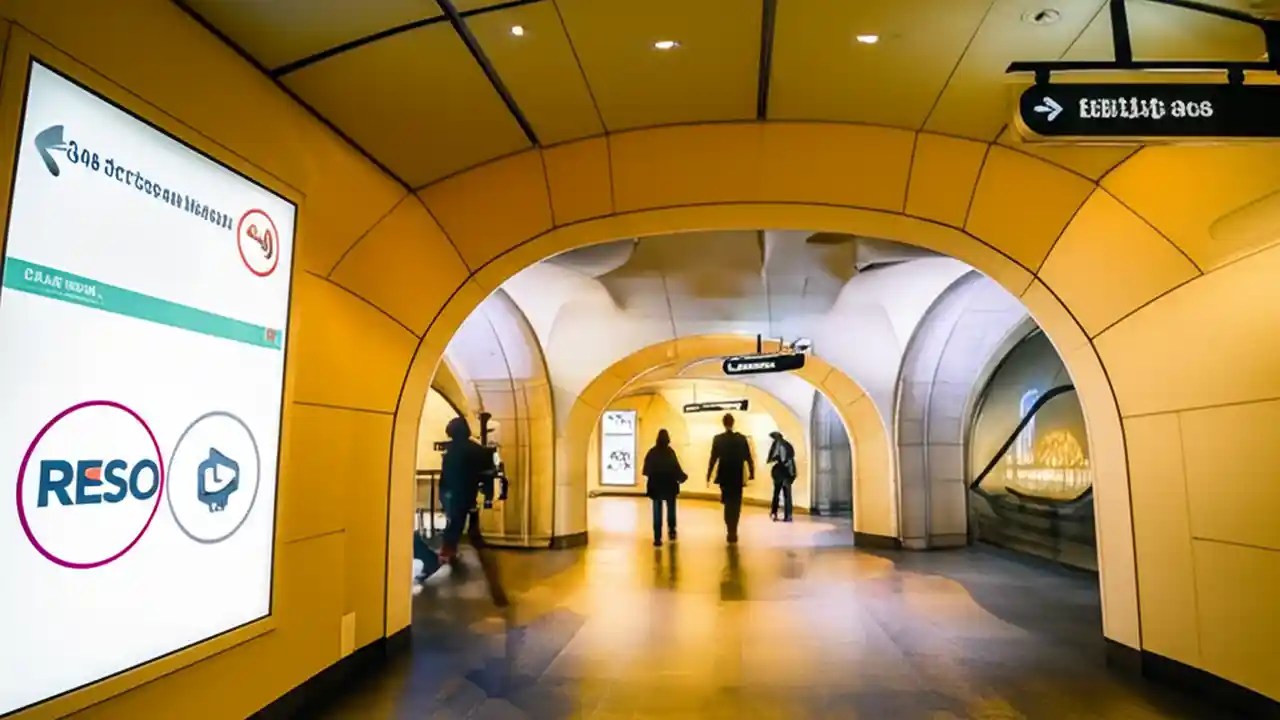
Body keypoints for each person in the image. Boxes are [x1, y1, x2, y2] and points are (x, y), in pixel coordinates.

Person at [438, 416, 493, 563]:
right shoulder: (476, 449)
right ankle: (474, 542)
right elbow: (486, 471)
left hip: (451, 491)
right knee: (465, 518)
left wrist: (442, 493)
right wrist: (488, 492)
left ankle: (447, 551)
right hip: (468, 490)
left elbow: (446, 473)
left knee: (454, 521)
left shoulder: (450, 450)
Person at [707, 413, 754, 544]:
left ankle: (730, 530)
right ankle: (734, 529)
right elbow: (748, 457)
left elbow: (713, 458)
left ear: (723, 423)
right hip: (737, 474)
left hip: (724, 475)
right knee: (736, 503)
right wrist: (752, 472)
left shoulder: (718, 439)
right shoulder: (741, 439)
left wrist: (709, 474)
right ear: (733, 423)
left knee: (727, 503)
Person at [642, 428, 686, 547]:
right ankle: (671, 531)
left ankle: (657, 538)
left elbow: (646, 471)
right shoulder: (670, 452)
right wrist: (682, 477)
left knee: (657, 511)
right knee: (671, 509)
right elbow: (676, 468)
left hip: (656, 486)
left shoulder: (652, 452)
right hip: (670, 485)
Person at [767, 431, 797, 522]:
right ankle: (788, 515)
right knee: (787, 495)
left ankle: (774, 512)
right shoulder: (788, 445)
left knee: (776, 493)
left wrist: (774, 459)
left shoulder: (777, 444)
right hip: (789, 472)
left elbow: (771, 458)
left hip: (780, 472)